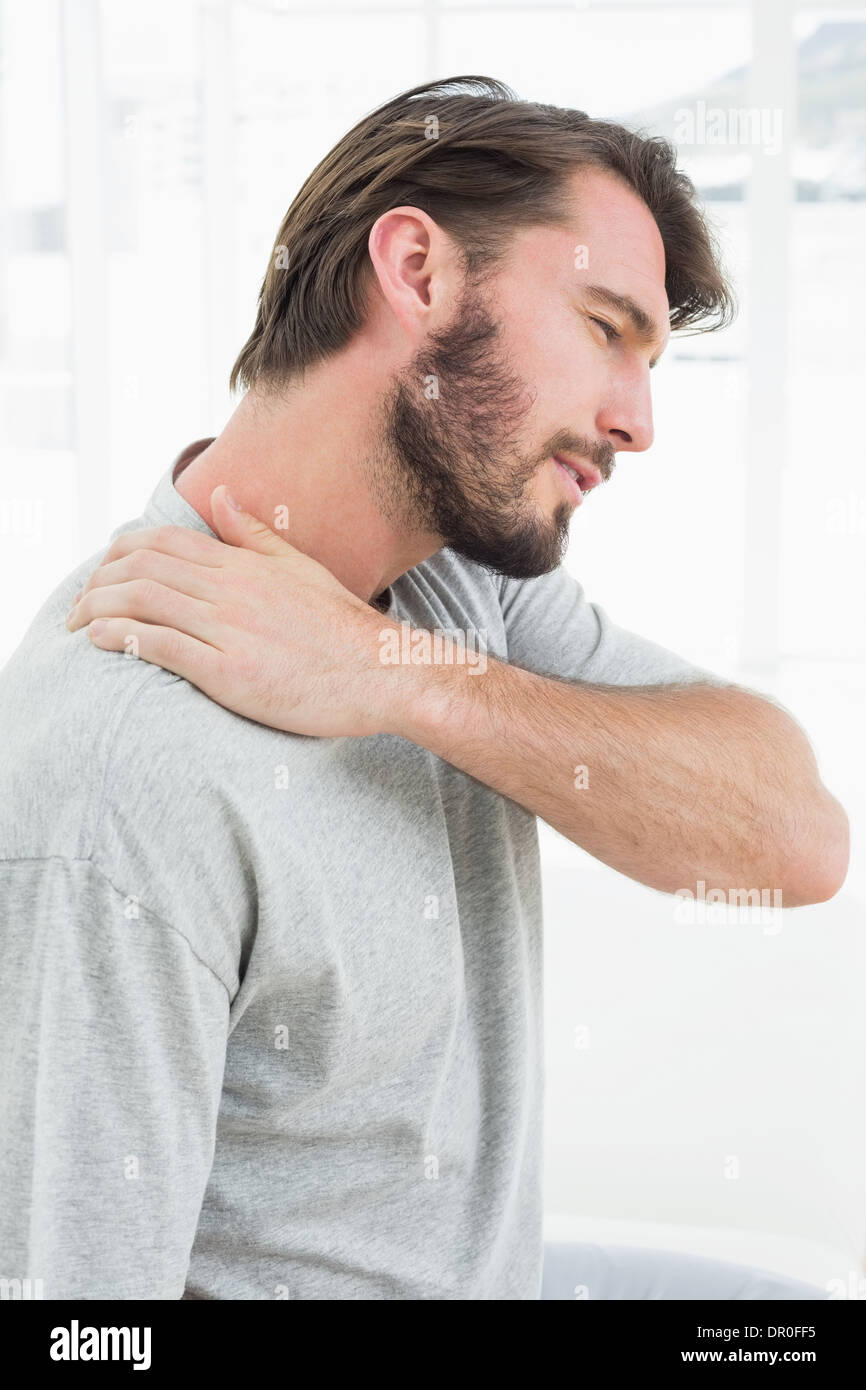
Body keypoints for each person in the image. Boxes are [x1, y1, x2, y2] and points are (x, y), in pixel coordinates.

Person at [0, 75, 847, 1300]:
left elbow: (792, 837)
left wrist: (392, 676)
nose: (637, 419)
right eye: (606, 326)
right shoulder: (120, 773)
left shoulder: (452, 589)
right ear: (416, 272)